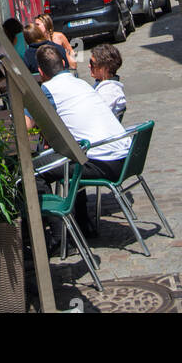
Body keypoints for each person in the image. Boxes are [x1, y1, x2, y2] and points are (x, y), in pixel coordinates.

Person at [34, 44, 131, 234]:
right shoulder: (83, 85)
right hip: (124, 157)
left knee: (36, 170)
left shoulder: (51, 89)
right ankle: (82, 224)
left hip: (105, 161)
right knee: (73, 159)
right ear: (63, 64)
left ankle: (58, 236)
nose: (88, 66)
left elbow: (29, 124)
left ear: (40, 72)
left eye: (92, 63)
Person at [89, 44, 126, 120]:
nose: (89, 66)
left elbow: (94, 117)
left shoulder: (109, 92)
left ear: (104, 68)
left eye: (92, 63)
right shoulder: (103, 86)